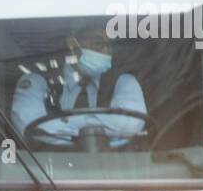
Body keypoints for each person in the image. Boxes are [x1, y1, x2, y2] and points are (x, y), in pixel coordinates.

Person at [10, 28, 147, 148]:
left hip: (112, 170)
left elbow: (132, 124)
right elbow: (28, 127)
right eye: (97, 42)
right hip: (46, 170)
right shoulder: (37, 79)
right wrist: (104, 126)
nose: (105, 51)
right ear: (72, 43)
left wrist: (63, 124)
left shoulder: (123, 81)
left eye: (109, 44)